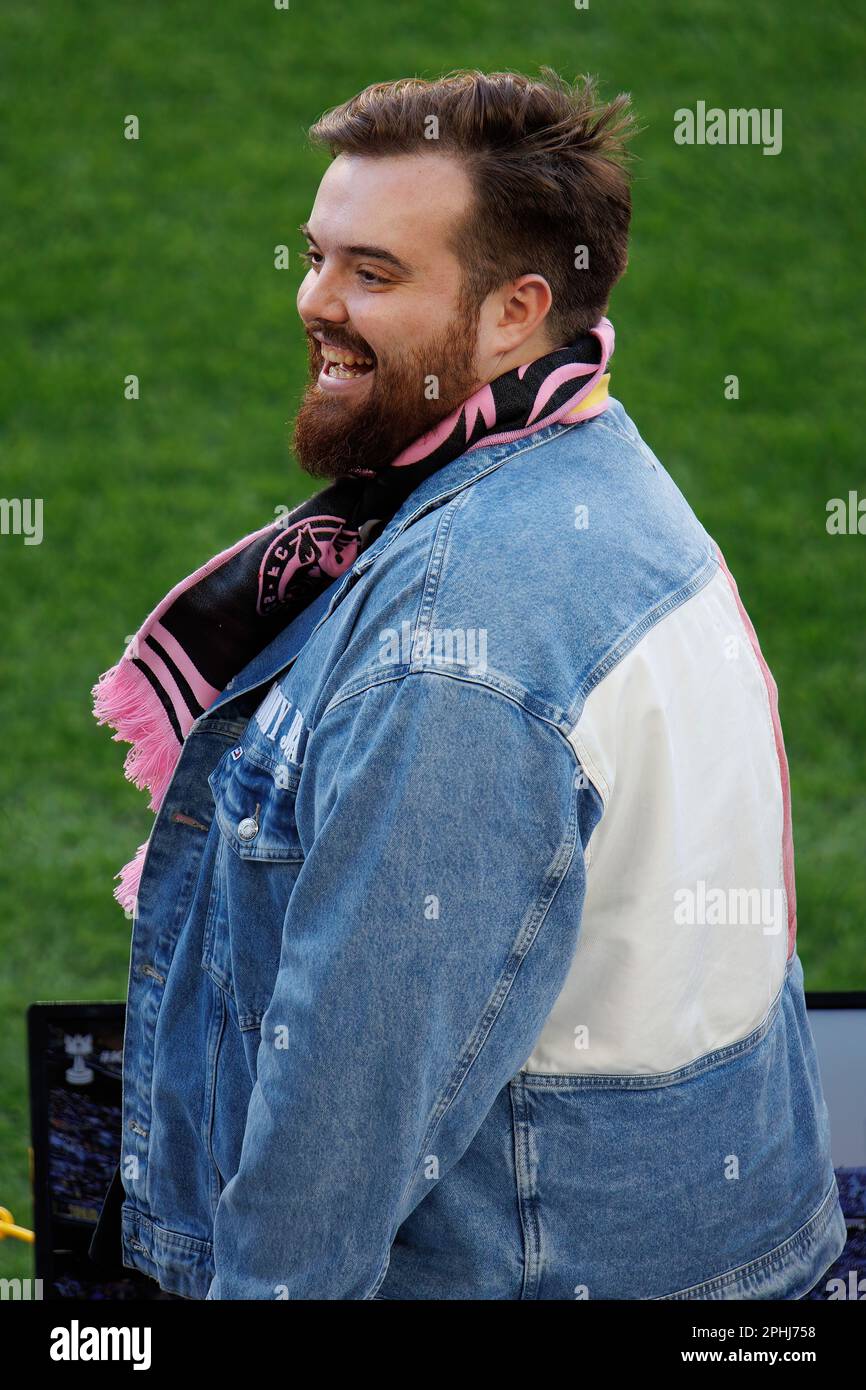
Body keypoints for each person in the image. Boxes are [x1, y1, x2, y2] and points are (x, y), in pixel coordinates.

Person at [89, 68, 846, 1300]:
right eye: (314, 255)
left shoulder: (452, 658)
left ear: (513, 312)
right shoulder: (595, 456)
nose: (312, 302)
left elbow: (343, 1121)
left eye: (371, 274)